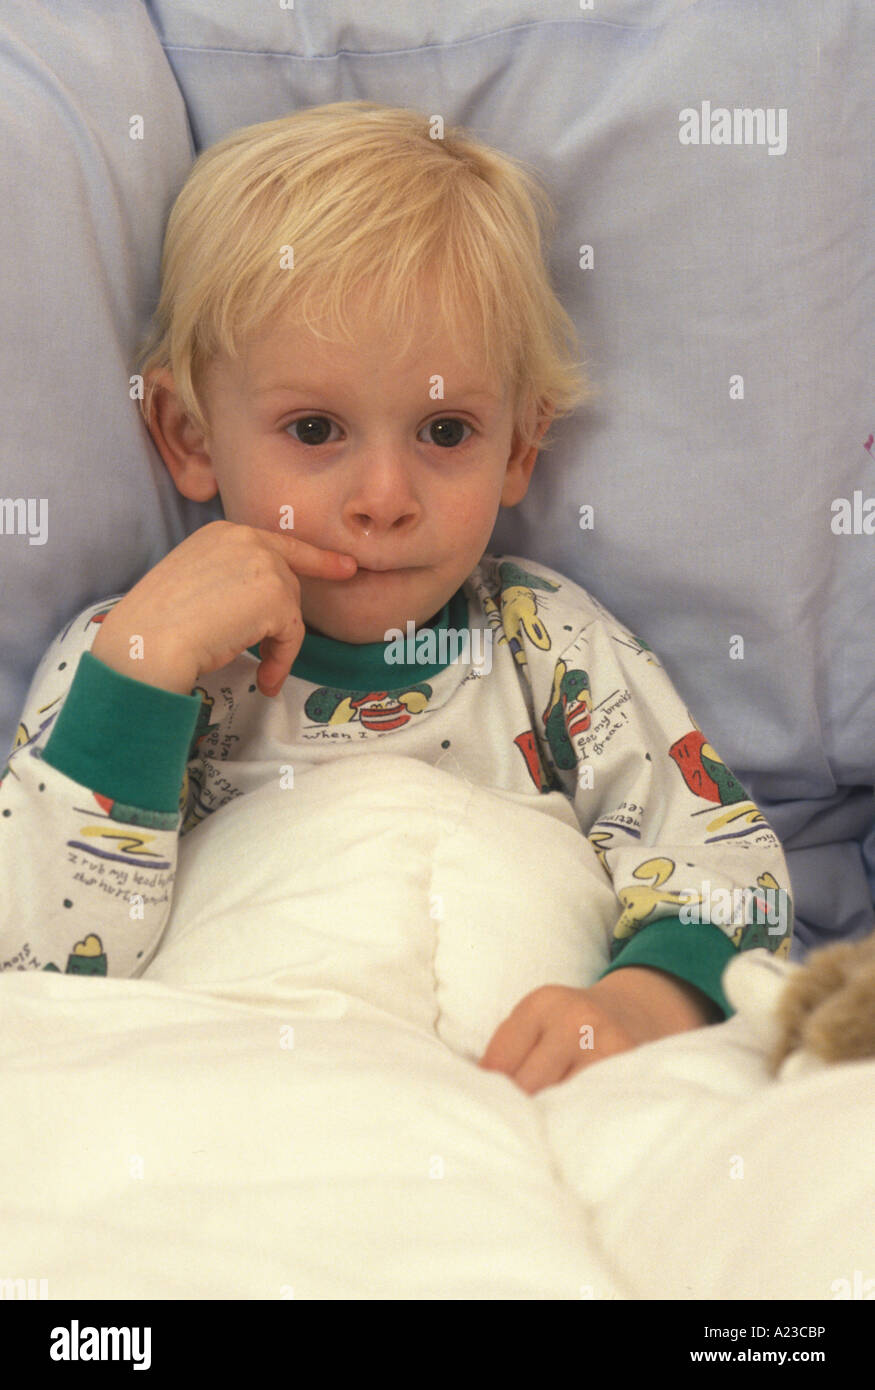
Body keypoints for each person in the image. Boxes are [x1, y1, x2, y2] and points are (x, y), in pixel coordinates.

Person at [0, 102, 793, 1094]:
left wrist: (630, 1009)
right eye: (316, 428)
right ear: (190, 436)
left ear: (519, 445)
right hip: (229, 1092)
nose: (383, 501)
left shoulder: (545, 642)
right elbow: (35, 970)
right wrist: (136, 681)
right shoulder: (134, 653)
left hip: (526, 1095)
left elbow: (722, 868)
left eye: (446, 432)